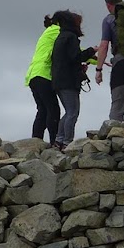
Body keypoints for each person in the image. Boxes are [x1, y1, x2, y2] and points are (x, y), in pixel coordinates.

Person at [49, 10, 97, 149]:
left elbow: (66, 60)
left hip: (58, 80)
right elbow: (76, 57)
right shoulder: (71, 37)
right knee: (73, 112)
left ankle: (59, 140)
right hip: (68, 81)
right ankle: (67, 142)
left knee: (69, 111)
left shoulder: (61, 37)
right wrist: (92, 50)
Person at [23, 13, 61, 141]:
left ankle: (36, 141)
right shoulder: (57, 31)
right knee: (53, 109)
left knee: (43, 110)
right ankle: (54, 141)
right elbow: (70, 48)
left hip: (33, 74)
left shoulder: (47, 32)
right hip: (44, 74)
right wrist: (95, 57)